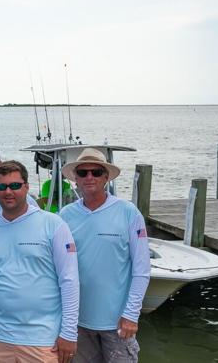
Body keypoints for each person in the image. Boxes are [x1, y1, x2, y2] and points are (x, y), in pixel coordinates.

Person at [0, 161, 79, 363]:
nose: (8, 191)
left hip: (43, 340)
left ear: (27, 187)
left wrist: (69, 332)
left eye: (15, 185)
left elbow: (69, 281)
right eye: (2, 187)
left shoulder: (54, 225)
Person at [59, 148, 150, 363]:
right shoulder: (64, 216)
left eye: (96, 172)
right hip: (77, 324)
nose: (89, 177)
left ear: (106, 177)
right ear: (75, 179)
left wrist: (131, 314)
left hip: (118, 324)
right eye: (83, 173)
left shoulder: (129, 212)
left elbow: (142, 270)